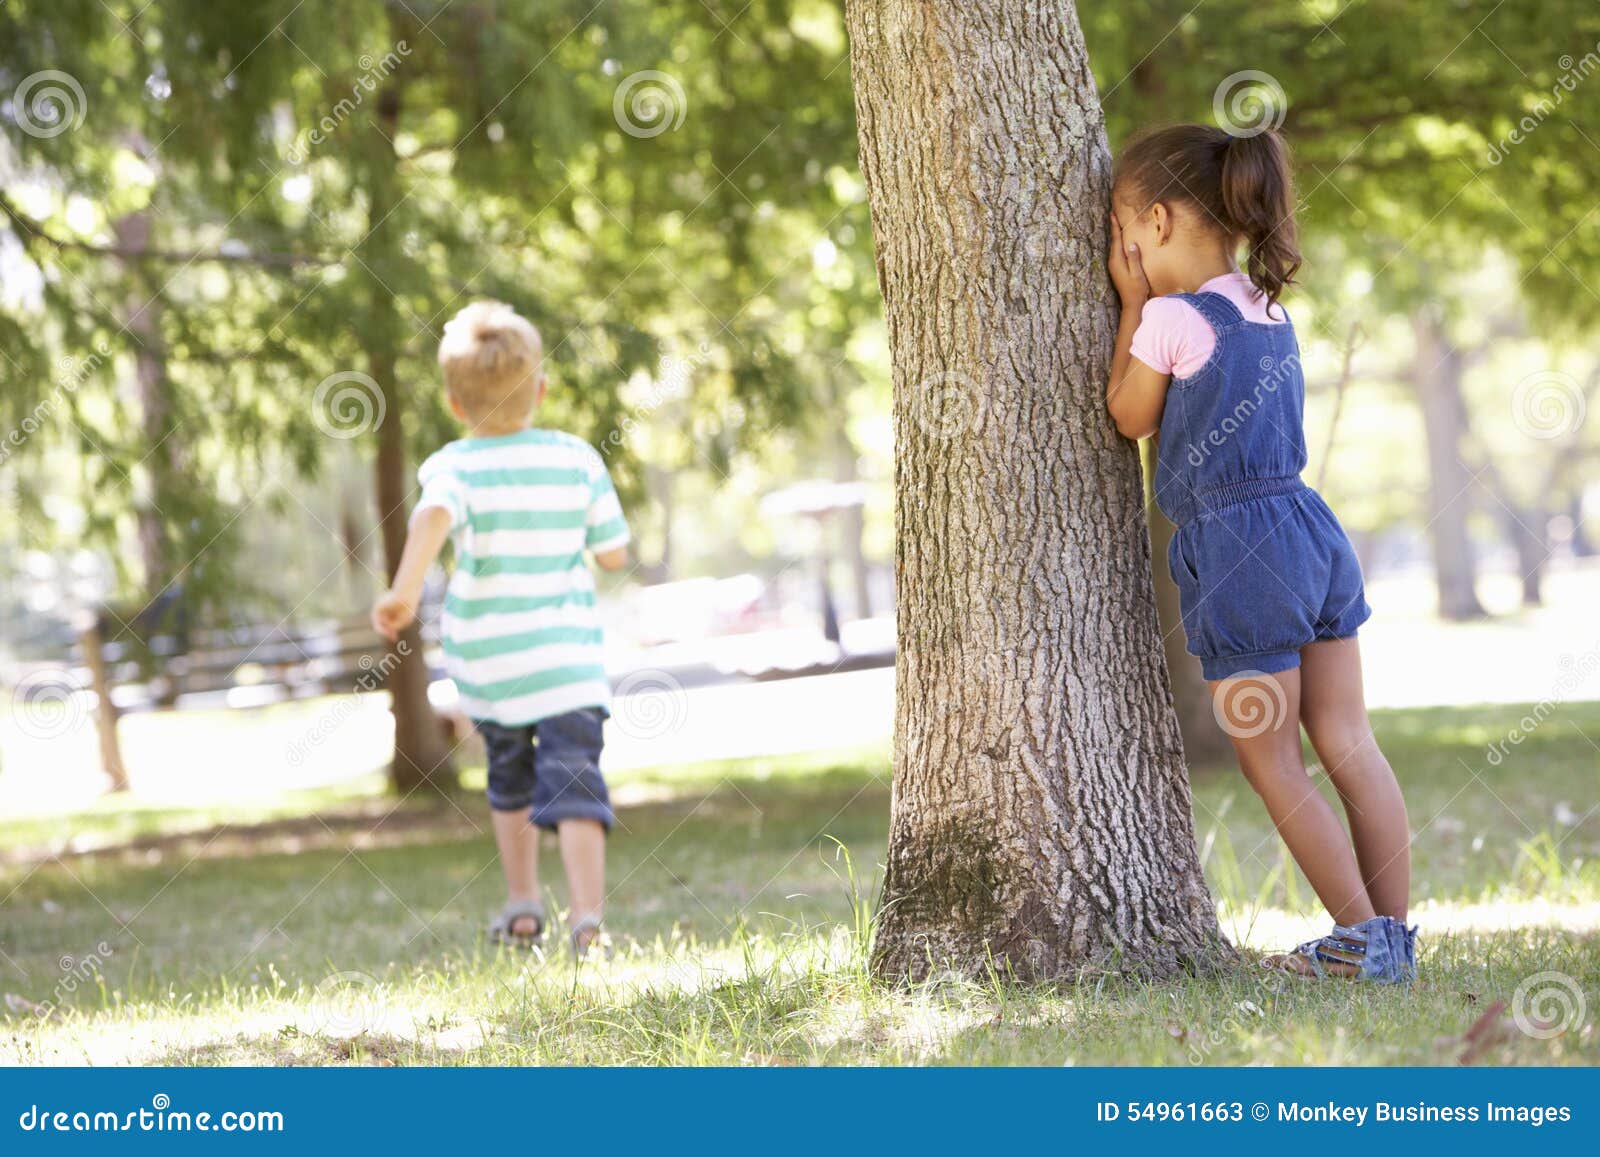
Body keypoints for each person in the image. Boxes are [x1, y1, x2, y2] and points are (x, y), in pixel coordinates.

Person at [1103, 124, 1415, 983]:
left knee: (1270, 760)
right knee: (1349, 738)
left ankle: (1363, 944)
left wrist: (1130, 304)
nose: (1120, 251)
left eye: (1121, 232)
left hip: (1241, 555)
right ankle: (1396, 929)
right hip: (1311, 533)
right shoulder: (1266, 304)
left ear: (1156, 223)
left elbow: (1129, 416)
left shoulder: (1169, 315)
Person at [371, 300, 630, 958]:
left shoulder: (453, 466)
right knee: (575, 779)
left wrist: (404, 590)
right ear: (540, 390)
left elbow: (432, 517)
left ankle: (521, 906)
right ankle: (589, 922)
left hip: (492, 665)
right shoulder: (577, 458)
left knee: (509, 779)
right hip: (566, 662)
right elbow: (613, 553)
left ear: (456, 405)